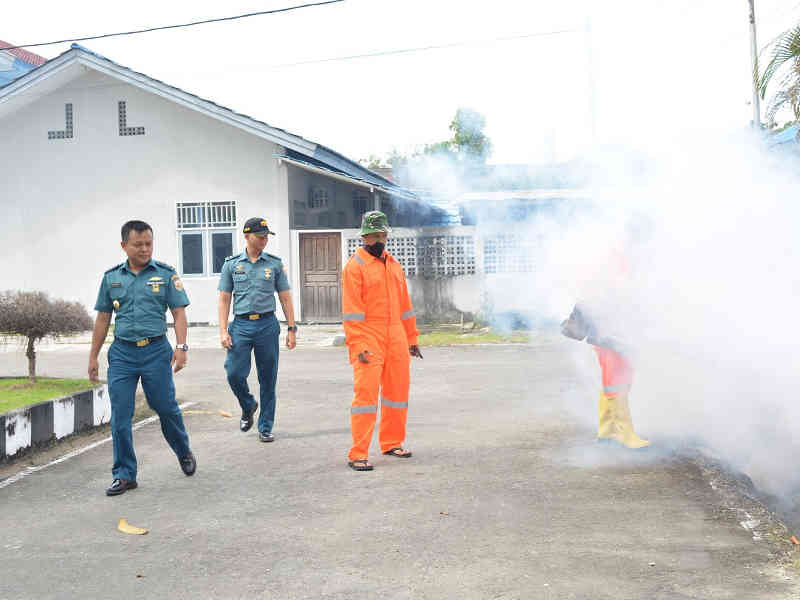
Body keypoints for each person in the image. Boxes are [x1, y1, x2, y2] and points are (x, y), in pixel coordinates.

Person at [88, 220, 196, 497]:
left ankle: (183, 450)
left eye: (149, 243)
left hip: (155, 351)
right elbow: (102, 319)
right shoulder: (111, 278)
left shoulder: (165, 274)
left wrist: (181, 346)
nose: (145, 249)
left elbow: (179, 313)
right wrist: (93, 356)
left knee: (165, 407)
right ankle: (125, 475)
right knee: (120, 416)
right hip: (122, 354)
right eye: (138, 244)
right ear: (124, 246)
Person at [341, 210, 422, 471]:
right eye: (375, 235)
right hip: (369, 336)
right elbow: (351, 312)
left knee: (397, 393)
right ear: (365, 237)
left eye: (383, 235)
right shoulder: (355, 266)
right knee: (366, 396)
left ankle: (392, 442)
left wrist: (411, 337)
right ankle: (358, 454)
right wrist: (358, 344)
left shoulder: (393, 264)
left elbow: (405, 306)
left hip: (396, 335)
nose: (380, 239)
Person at [218, 217, 296, 443]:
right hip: (241, 325)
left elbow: (285, 298)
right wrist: (223, 331)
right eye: (260, 236)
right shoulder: (231, 265)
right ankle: (248, 404)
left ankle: (265, 426)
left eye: (266, 237)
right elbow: (224, 299)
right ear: (246, 236)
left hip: (267, 325)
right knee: (234, 373)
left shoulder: (274, 264)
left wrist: (291, 328)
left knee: (268, 378)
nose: (264, 240)